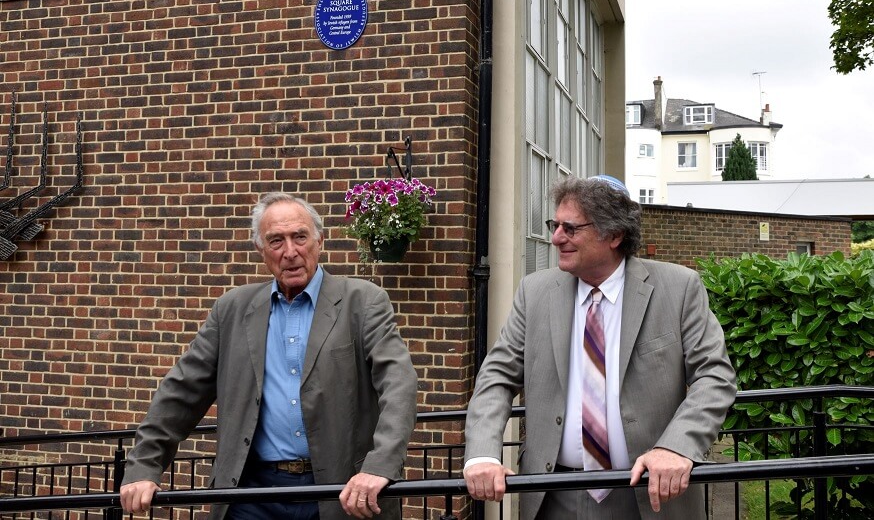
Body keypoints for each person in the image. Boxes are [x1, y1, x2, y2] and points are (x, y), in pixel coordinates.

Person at [120, 192, 418, 520]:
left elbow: (398, 385)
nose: (290, 252)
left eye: (300, 237)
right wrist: (143, 467)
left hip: (339, 492)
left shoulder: (363, 302)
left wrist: (379, 467)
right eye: (276, 240)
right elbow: (180, 393)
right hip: (251, 495)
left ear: (320, 240)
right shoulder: (231, 309)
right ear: (262, 250)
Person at [463, 175, 736, 519]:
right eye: (555, 224)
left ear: (614, 235)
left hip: (650, 495)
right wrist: (483, 454)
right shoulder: (534, 293)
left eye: (570, 228)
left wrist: (677, 446)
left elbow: (714, 376)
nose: (556, 238)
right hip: (552, 495)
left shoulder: (678, 288)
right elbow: (496, 378)